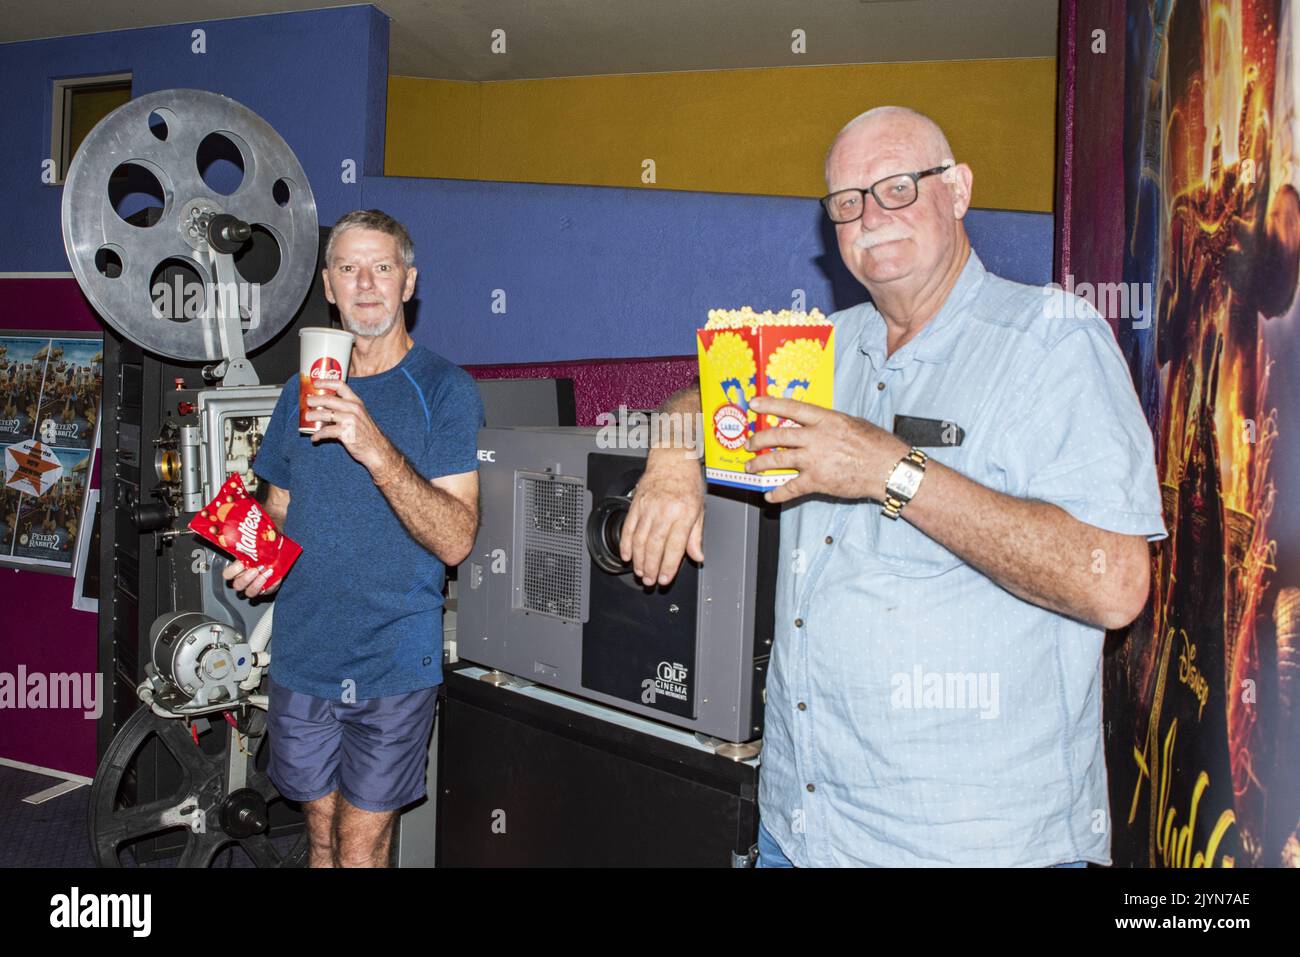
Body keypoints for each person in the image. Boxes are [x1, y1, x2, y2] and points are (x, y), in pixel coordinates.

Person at [621, 107, 1168, 867]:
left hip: (970, 847)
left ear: (959, 189)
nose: (871, 215)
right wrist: (675, 455)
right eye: (848, 201)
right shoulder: (819, 347)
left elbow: (1116, 584)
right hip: (801, 829)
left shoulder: (1055, 338)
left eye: (898, 186)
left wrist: (891, 471)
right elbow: (701, 396)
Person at [223, 209, 482, 867]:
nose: (366, 284)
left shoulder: (445, 390)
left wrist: (373, 445)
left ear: (408, 282)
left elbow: (456, 538)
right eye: (348, 268)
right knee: (318, 836)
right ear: (329, 288)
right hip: (303, 653)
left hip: (391, 658)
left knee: (361, 847)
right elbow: (278, 506)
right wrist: (258, 549)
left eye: (382, 267)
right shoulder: (295, 394)